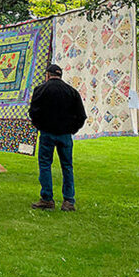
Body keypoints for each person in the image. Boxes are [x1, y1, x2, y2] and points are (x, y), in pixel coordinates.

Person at [28, 64, 87, 211]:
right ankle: (68, 200)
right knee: (67, 166)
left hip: (47, 132)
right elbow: (81, 115)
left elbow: (33, 112)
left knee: (45, 164)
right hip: (65, 134)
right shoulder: (71, 92)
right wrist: (72, 129)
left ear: (47, 75)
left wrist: (40, 125)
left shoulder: (40, 90)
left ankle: (47, 198)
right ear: (60, 75)